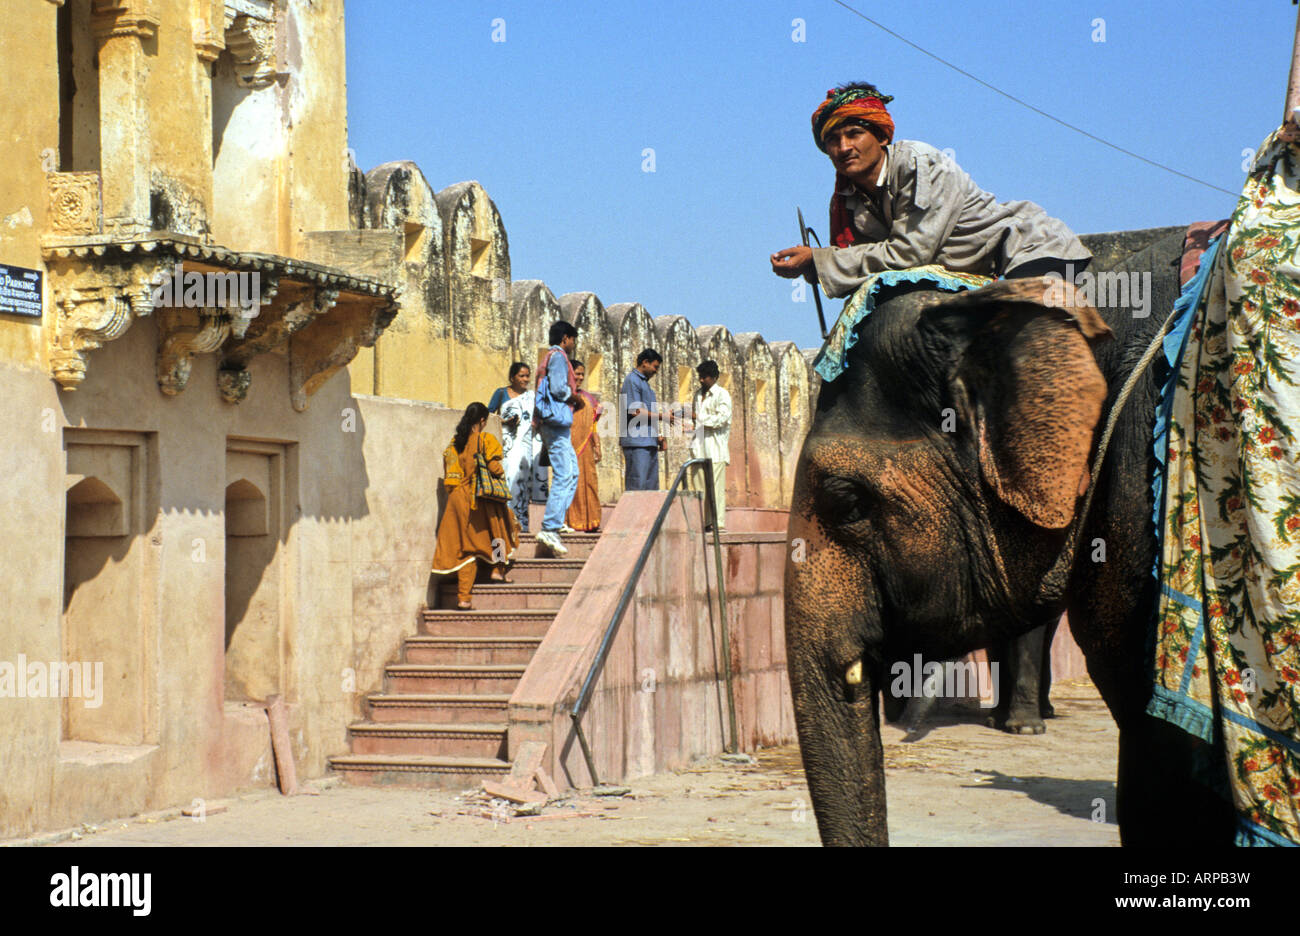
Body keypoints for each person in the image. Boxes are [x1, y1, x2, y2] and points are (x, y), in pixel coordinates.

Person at [770, 83, 1091, 292]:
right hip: (959, 284)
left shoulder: (918, 164)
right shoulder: (847, 200)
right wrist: (818, 267)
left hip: (1026, 255)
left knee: (1025, 342)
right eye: (832, 140)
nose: (843, 147)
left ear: (882, 137)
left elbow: (909, 254)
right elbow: (870, 272)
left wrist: (821, 261)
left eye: (854, 133)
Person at [430, 402, 519, 610]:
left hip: (457, 501)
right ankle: (498, 570)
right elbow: (495, 468)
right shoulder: (486, 440)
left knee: (465, 549)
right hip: (483, 499)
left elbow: (450, 479)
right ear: (482, 421)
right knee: (499, 534)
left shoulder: (454, 444)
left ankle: (464, 598)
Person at [533, 320, 583, 555]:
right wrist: (574, 398)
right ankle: (550, 527)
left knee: (572, 472)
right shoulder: (559, 357)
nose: (574, 344)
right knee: (565, 474)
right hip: (554, 422)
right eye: (573, 339)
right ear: (565, 338)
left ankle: (557, 520)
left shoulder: (552, 356)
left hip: (557, 425)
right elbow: (558, 389)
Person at [487, 362, 538, 533]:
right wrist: (505, 421)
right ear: (512, 377)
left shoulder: (532, 397)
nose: (526, 379)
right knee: (507, 480)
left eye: (527, 375)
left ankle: (520, 523)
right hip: (507, 446)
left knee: (522, 483)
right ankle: (505, 522)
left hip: (525, 447)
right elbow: (487, 415)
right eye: (522, 376)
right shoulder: (501, 394)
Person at [618, 348, 676, 491]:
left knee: (650, 488)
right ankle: (633, 514)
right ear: (645, 363)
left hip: (648, 442)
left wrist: (658, 437)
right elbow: (635, 411)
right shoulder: (632, 380)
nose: (656, 371)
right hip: (637, 442)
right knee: (637, 486)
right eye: (655, 367)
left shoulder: (646, 386)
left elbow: (649, 416)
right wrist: (663, 417)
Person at [685, 360, 731, 532]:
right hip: (698, 447)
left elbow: (722, 419)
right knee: (699, 488)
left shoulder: (722, 395)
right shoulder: (698, 395)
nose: (702, 380)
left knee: (715, 489)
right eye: (700, 377)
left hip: (715, 449)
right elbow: (696, 419)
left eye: (705, 377)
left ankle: (718, 524)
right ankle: (702, 522)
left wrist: (699, 417)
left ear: (714, 377)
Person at [566, 361, 604, 532]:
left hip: (586, 447)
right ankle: (571, 521)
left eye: (582, 374)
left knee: (589, 481)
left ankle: (591, 521)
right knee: (571, 482)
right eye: (577, 373)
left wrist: (597, 444)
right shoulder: (564, 396)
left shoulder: (588, 398)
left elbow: (593, 424)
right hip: (568, 445)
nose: (580, 377)